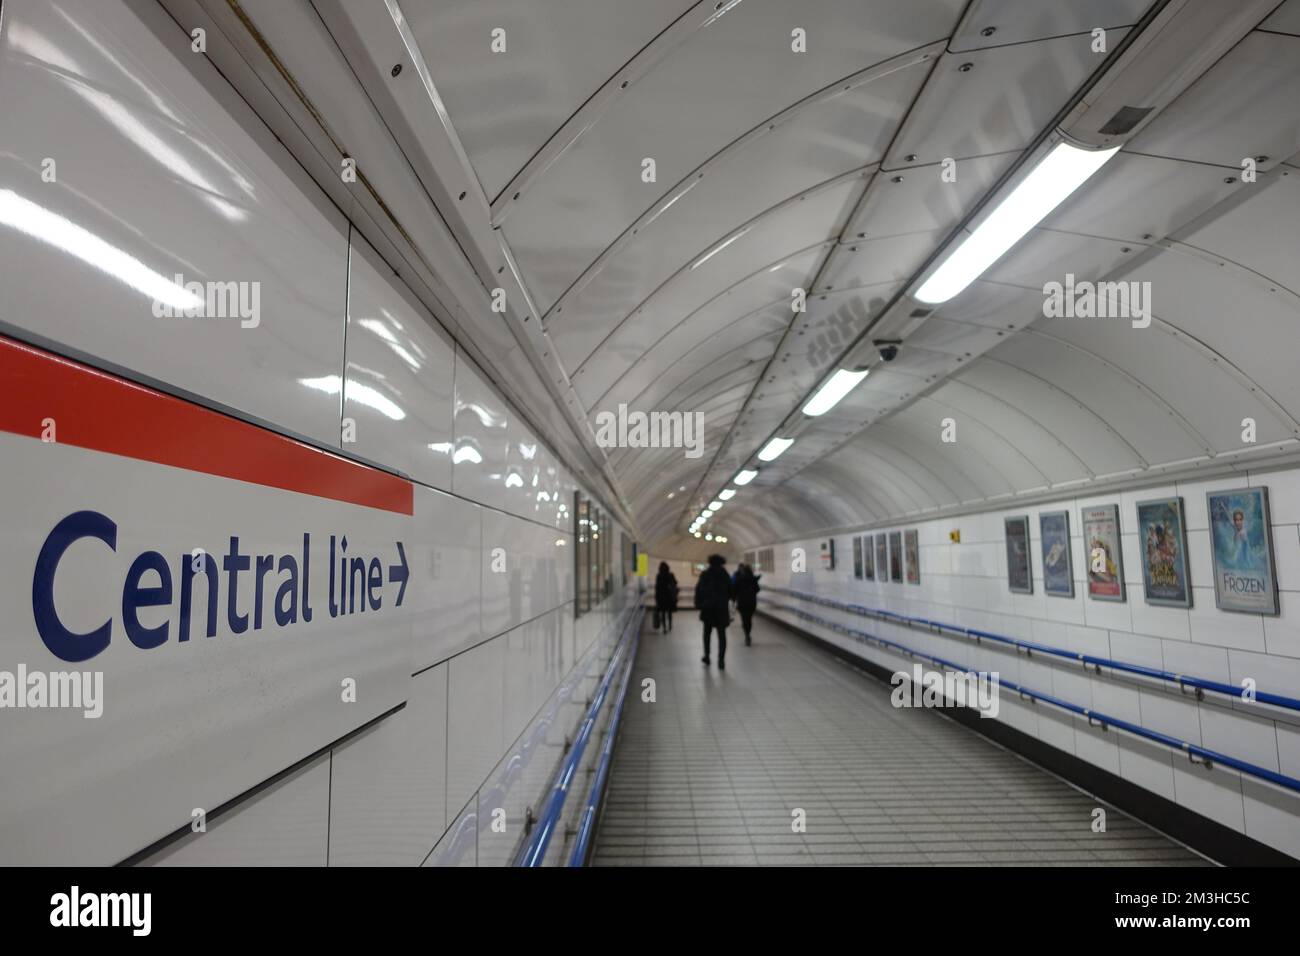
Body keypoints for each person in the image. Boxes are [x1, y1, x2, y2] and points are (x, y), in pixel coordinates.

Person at [694, 554, 734, 669]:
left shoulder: (705, 574)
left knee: (707, 633)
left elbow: (699, 590)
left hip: (708, 609)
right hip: (721, 609)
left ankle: (707, 656)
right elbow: (732, 591)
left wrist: (699, 604)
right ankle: (721, 659)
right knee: (722, 635)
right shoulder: (725, 575)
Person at [733, 563, 761, 646]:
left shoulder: (739, 579)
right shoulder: (753, 579)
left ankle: (746, 635)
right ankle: (748, 634)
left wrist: (734, 599)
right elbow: (757, 589)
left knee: (744, 618)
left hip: (741, 602)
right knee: (749, 618)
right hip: (751, 602)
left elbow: (734, 590)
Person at [654, 561, 678, 632]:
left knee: (663, 613)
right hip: (669, 596)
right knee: (669, 612)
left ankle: (664, 628)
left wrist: (656, 598)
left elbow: (657, 587)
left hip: (661, 597)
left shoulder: (659, 575)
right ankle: (670, 626)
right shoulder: (670, 575)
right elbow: (675, 583)